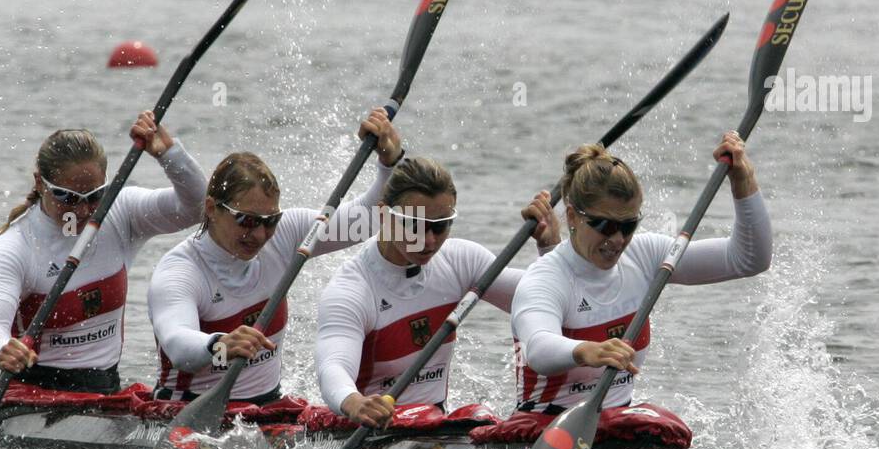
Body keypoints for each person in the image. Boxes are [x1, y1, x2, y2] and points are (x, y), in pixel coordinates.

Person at [148, 108, 404, 404]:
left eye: (269, 220)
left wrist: (390, 161)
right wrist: (220, 345)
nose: (259, 234)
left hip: (268, 408)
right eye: (246, 220)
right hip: (189, 407)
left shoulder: (286, 233)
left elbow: (367, 220)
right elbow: (178, 346)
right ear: (211, 208)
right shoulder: (181, 271)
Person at [511, 131, 771, 416]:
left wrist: (743, 180)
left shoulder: (646, 255)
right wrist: (587, 351)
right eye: (605, 226)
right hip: (545, 427)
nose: (619, 239)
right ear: (572, 216)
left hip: (615, 425)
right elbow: (537, 347)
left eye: (629, 225)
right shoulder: (545, 278)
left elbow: (748, 259)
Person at [315, 156, 559, 427]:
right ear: (383, 214)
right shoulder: (352, 290)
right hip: (372, 427)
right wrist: (352, 401)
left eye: (441, 225)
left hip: (433, 424)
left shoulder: (460, 260)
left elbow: (546, 303)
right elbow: (332, 366)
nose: (429, 240)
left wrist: (550, 249)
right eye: (415, 225)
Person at [0, 113, 206, 394]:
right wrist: (1, 348)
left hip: (105, 388)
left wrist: (170, 155)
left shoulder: (121, 212)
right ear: (39, 183)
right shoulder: (13, 248)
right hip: (33, 393)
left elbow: (198, 209)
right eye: (67, 198)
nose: (82, 211)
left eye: (95, 196)